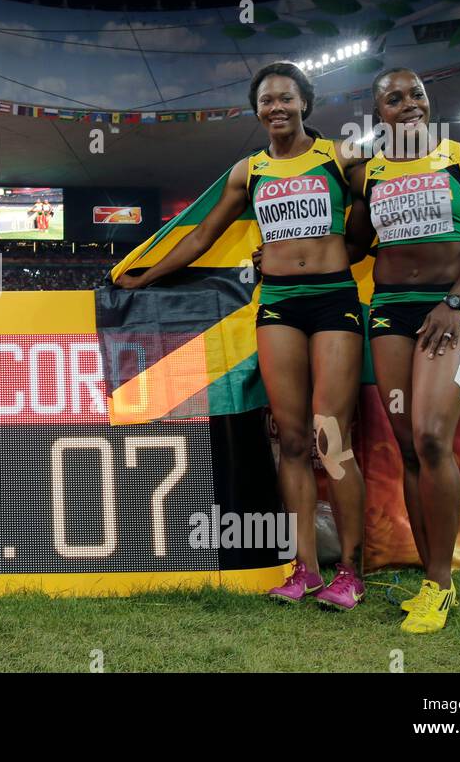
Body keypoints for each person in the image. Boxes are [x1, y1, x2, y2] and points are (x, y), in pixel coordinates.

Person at [117, 61, 368, 610]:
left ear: (305, 102)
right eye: (266, 101)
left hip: (333, 301)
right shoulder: (247, 171)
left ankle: (350, 569)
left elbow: (373, 220)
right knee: (295, 442)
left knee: (332, 438)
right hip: (276, 305)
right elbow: (203, 236)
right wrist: (148, 274)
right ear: (257, 111)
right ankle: (303, 568)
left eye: (286, 98)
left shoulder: (340, 157)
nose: (276, 107)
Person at [349, 67, 460, 634]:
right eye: (395, 98)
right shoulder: (369, 174)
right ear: (380, 113)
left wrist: (456, 301)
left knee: (435, 436)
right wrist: (285, 251)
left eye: (416, 93)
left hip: (451, 312)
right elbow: (353, 243)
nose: (409, 103)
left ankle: (441, 585)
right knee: (410, 447)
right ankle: (428, 572)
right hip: (389, 313)